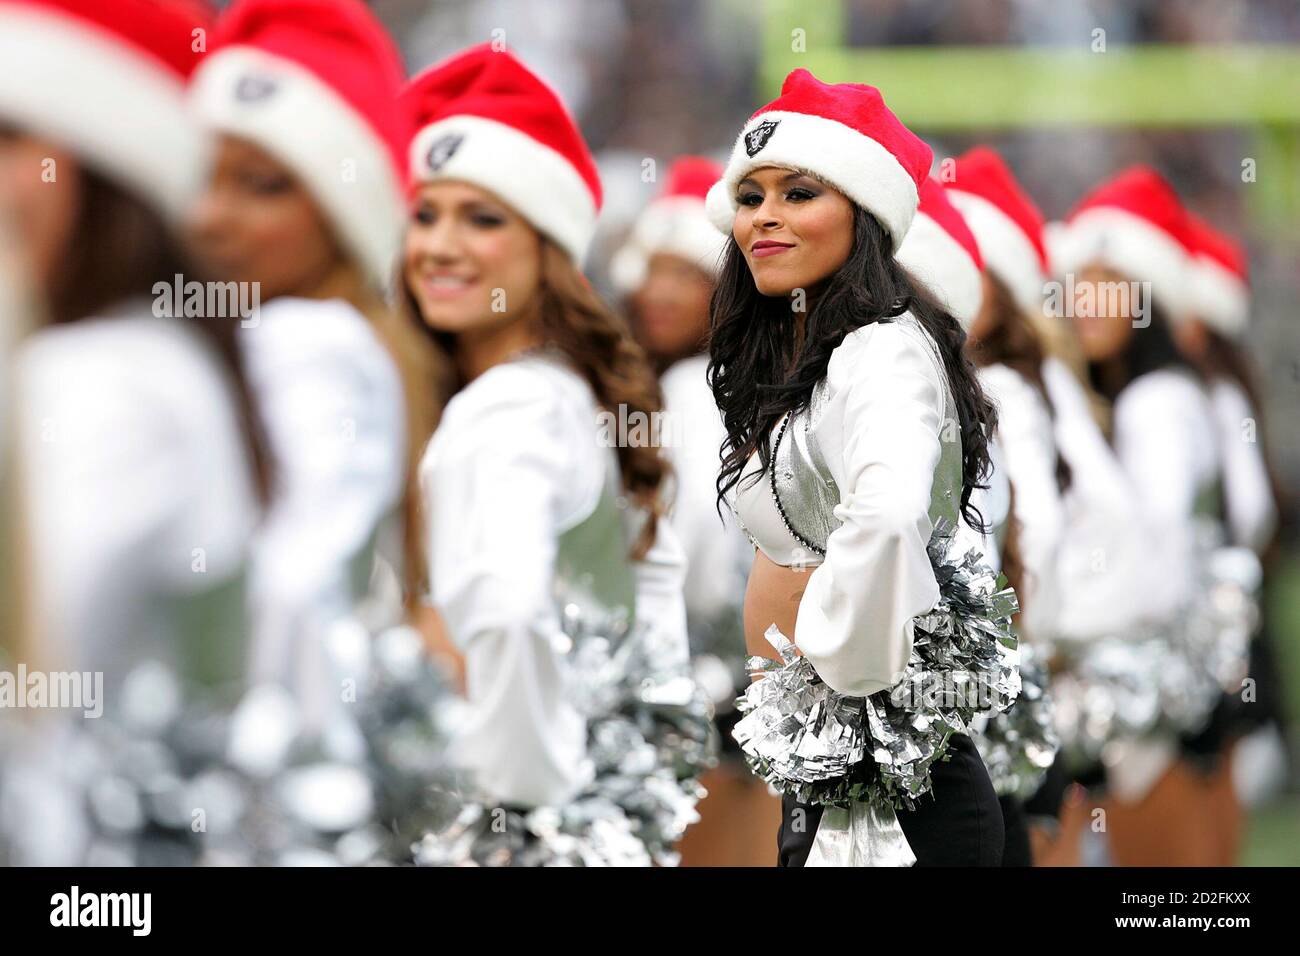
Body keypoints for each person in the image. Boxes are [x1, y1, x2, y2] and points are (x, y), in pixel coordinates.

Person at [400, 44, 696, 861]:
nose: (440, 245)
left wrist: (523, 807)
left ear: (549, 250)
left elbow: (502, 610)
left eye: (483, 218)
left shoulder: (511, 406)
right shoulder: (560, 388)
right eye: (426, 214)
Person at [705, 68, 1006, 866]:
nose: (765, 216)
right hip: (840, 775)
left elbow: (889, 513)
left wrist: (840, 679)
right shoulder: (819, 355)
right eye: (750, 195)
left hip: (888, 794)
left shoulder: (882, 350)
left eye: (799, 193)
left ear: (863, 214)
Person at [0, 0, 264, 863]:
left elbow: (21, 697)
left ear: (109, 165)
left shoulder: (108, 382)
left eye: (11, 137)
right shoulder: (145, 360)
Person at [188, 0, 440, 726]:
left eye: (262, 185)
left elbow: (285, 595)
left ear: (343, 213)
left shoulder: (307, 344)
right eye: (204, 177)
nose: (211, 216)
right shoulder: (313, 338)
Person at [1057, 166, 1231, 866]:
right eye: (1081, 281)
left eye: (1111, 283)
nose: (1088, 301)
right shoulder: (1126, 398)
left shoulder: (1157, 401)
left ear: (1147, 300)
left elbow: (1149, 564)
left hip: (1145, 694)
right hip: (1135, 687)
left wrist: (1071, 636)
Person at [612, 156, 778, 866]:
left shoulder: (692, 388)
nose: (662, 294)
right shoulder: (716, 387)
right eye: (656, 271)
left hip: (689, 695)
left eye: (689, 277)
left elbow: (681, 552)